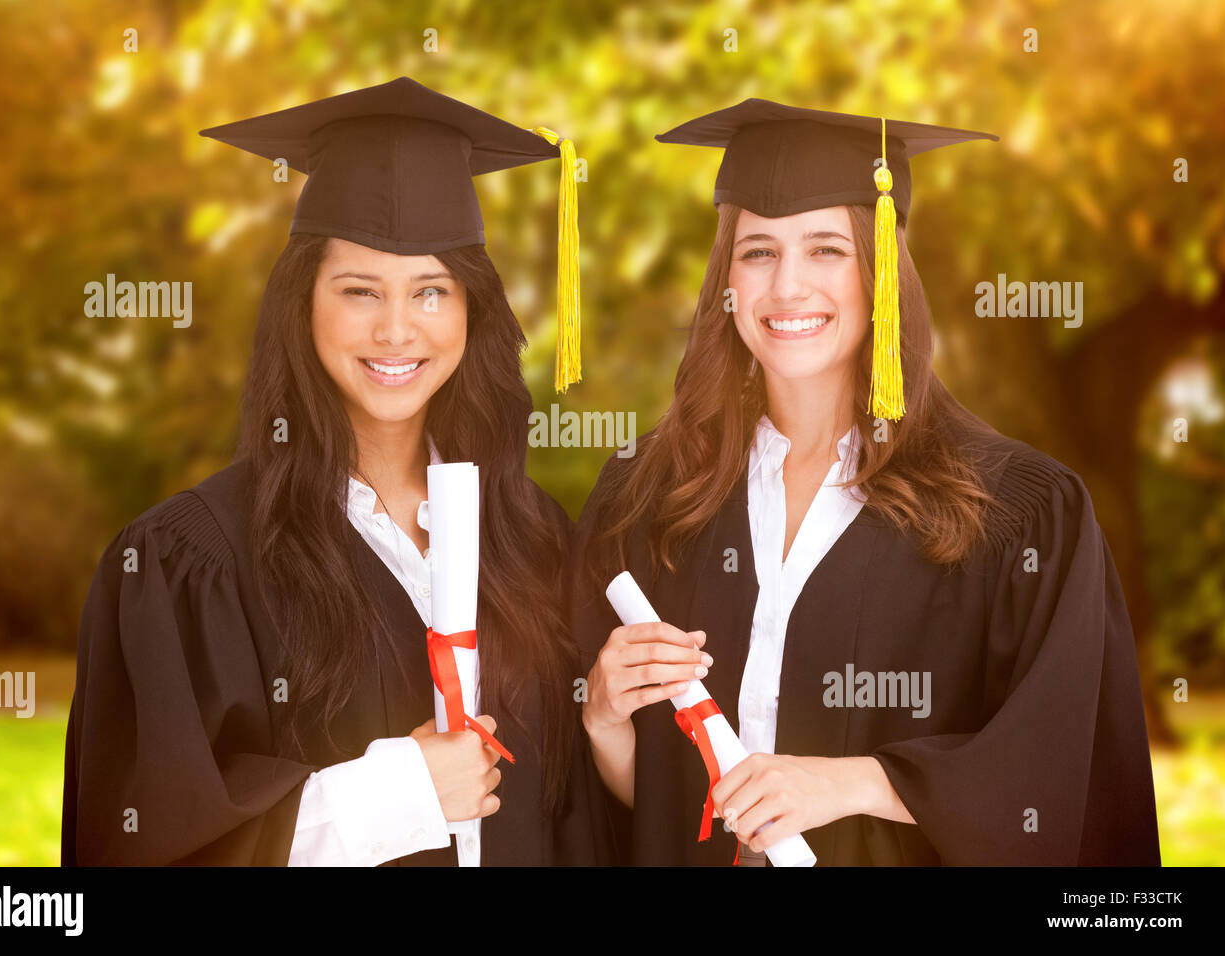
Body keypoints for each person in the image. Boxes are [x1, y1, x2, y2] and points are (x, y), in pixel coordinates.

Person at [571, 99, 1162, 865]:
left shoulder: (1015, 513)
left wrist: (858, 783)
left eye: (826, 250)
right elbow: (629, 816)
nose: (787, 288)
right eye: (757, 252)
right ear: (727, 280)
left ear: (882, 270)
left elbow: (1056, 777)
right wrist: (607, 722)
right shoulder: (650, 499)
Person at [62, 76, 608, 866]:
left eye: (430, 290)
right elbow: (141, 840)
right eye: (358, 291)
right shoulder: (192, 564)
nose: (396, 329)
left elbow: (579, 818)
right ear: (303, 305)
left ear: (469, 312)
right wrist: (398, 797)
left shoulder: (530, 536)